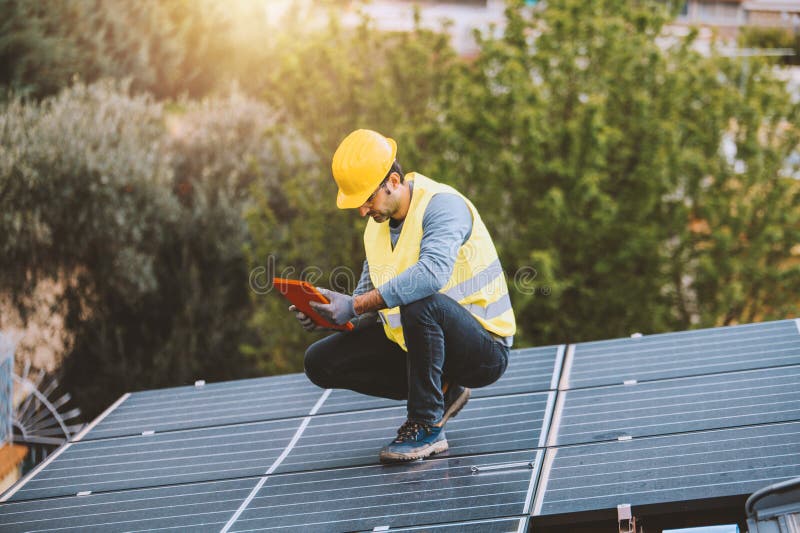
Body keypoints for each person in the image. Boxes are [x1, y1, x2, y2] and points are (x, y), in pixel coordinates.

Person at [291, 129, 516, 463]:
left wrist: (353, 306)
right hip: (421, 349)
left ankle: (426, 424)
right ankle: (443, 390)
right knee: (319, 362)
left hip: (484, 349)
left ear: (393, 181)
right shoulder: (377, 228)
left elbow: (431, 275)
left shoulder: (443, 206)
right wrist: (331, 310)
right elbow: (367, 300)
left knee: (420, 301)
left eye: (367, 199)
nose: (363, 211)